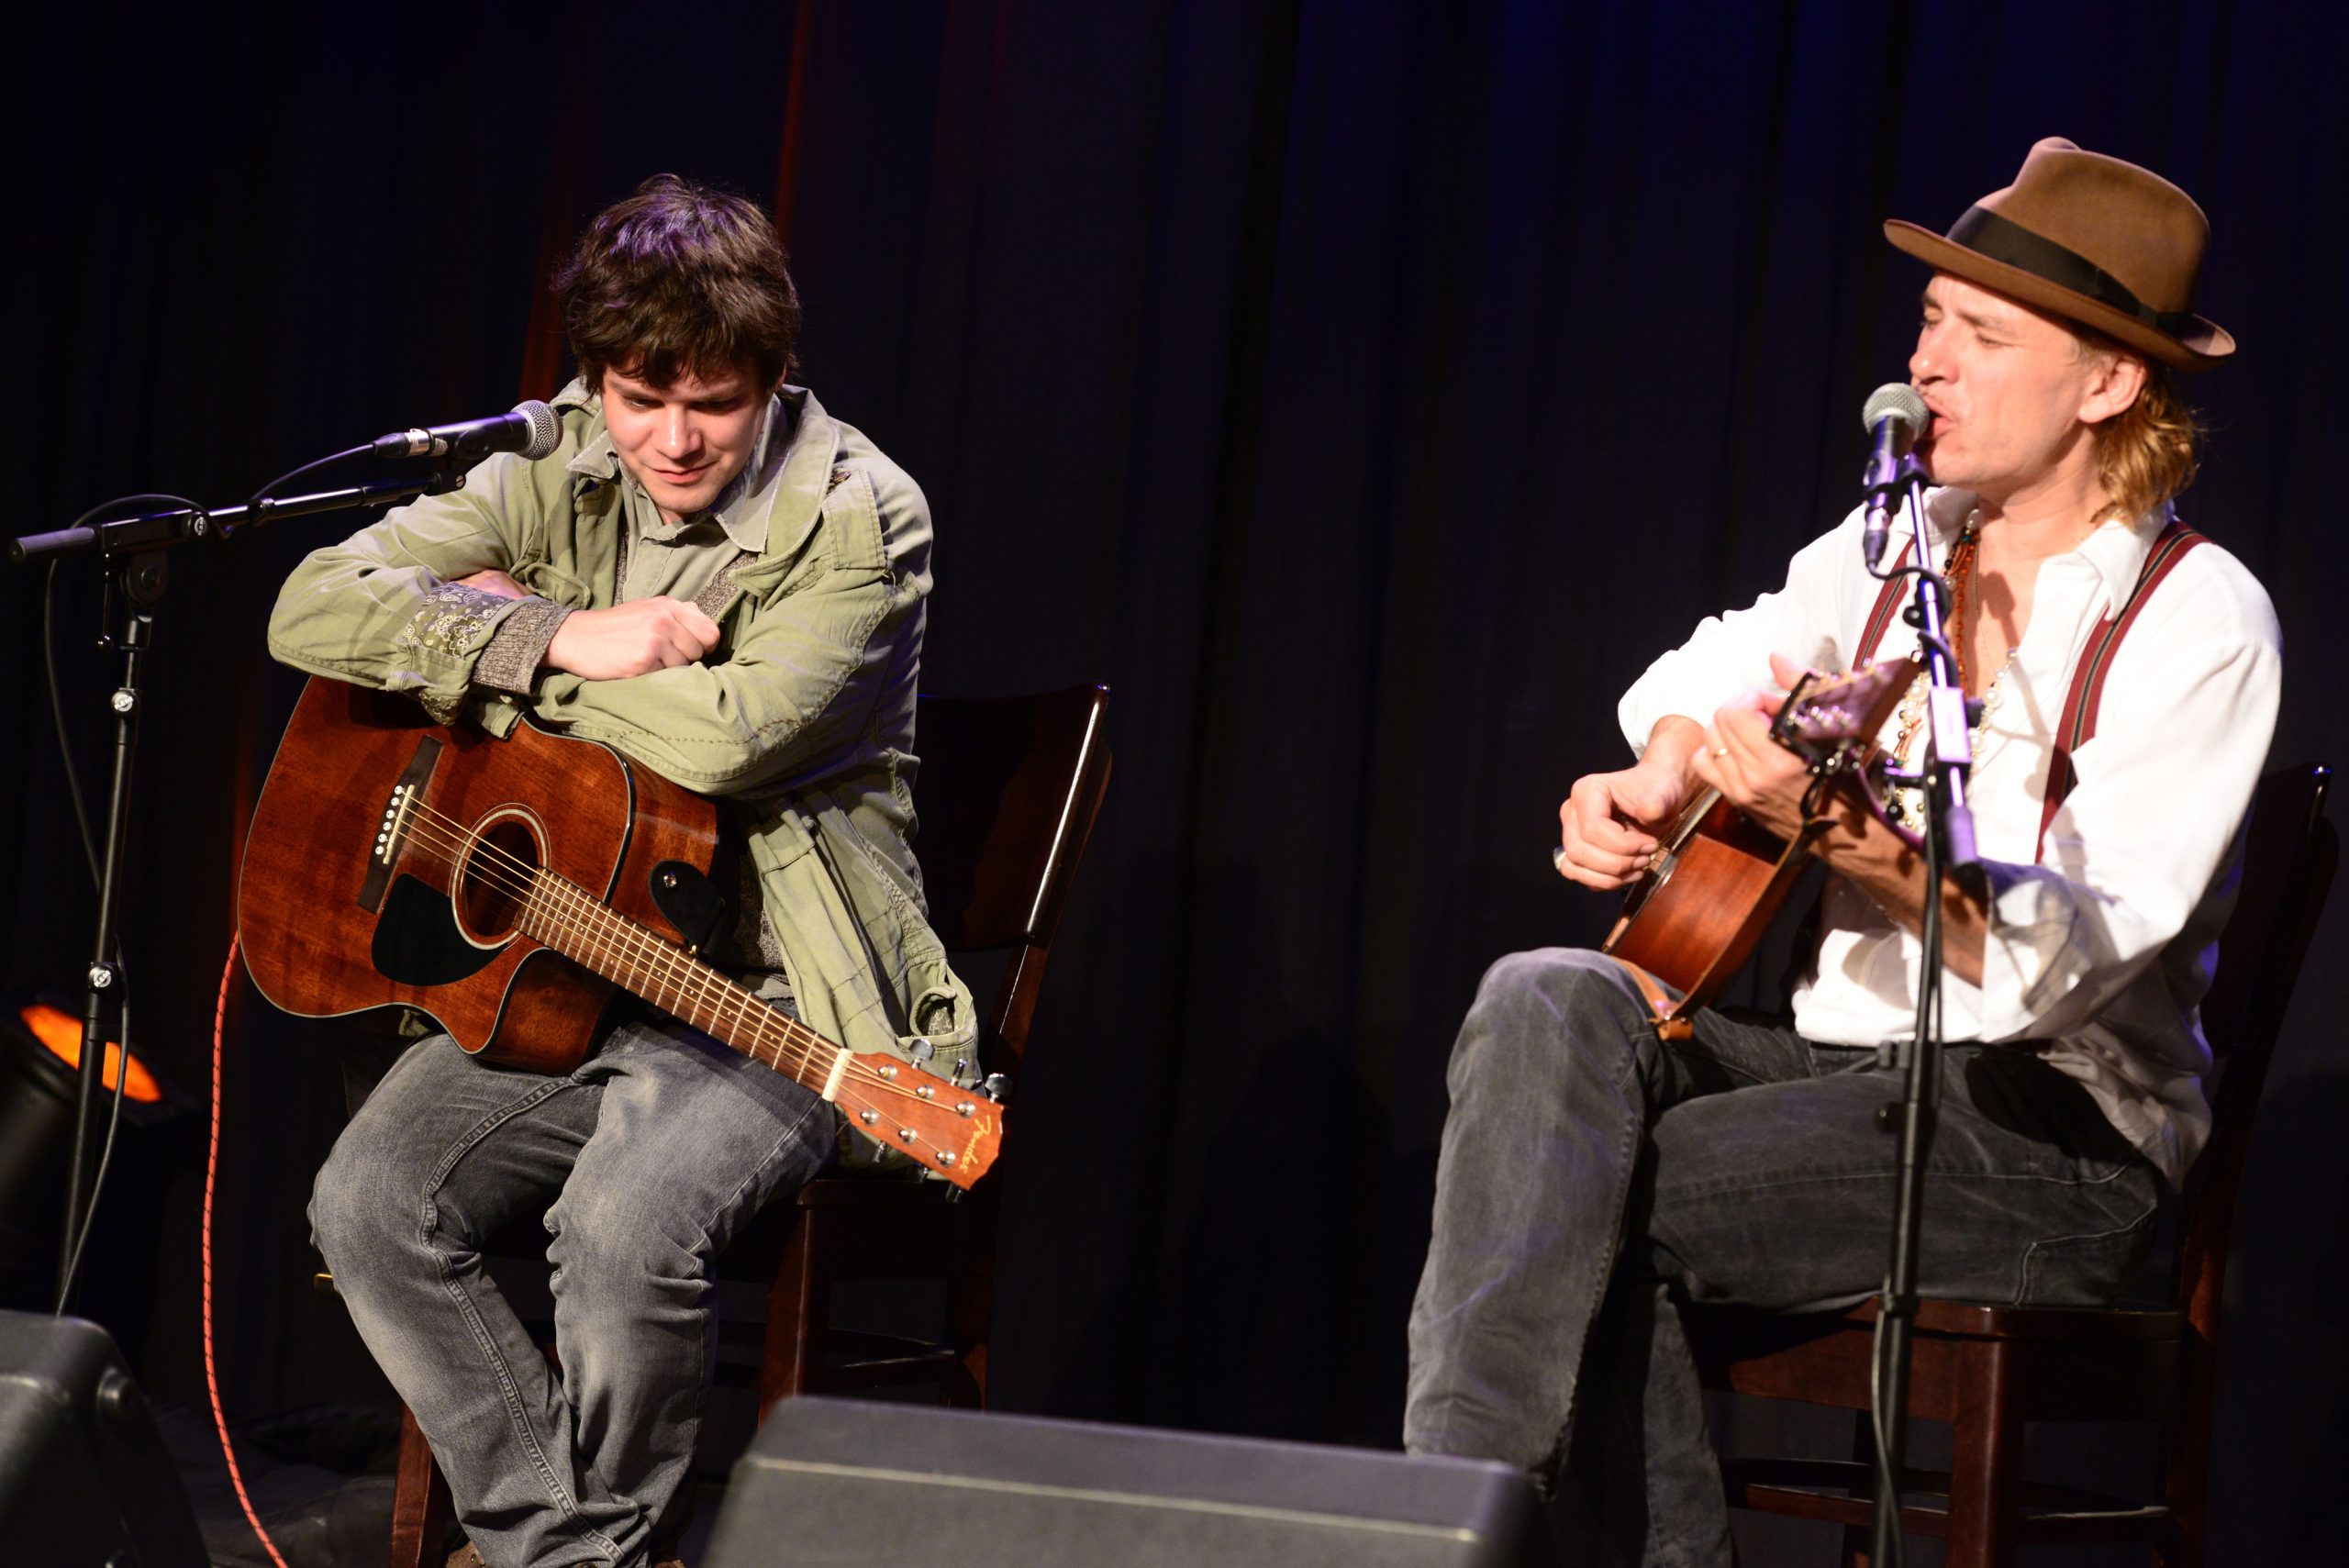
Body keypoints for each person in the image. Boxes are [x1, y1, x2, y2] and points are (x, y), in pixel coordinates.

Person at [1403, 138, 2279, 1564]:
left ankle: (1463, 1533)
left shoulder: (2199, 622)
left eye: (1982, 334)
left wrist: (1865, 848)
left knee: (1562, 1195)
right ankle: (1463, 1528)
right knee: (1544, 997)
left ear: (2109, 383)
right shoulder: (1896, 548)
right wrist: (1662, 767)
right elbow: (1705, 666)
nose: (1930, 363)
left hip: (2055, 1135)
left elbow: (2062, 962)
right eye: (1932, 319)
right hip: (1835, 1077)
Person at [273, 174, 975, 1568]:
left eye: (707, 404)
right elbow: (310, 603)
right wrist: (557, 636)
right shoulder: (556, 461)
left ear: (772, 379)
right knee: (366, 1201)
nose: (665, 440)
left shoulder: (862, 515)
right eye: (633, 399)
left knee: (623, 1220)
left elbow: (730, 740)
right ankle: (571, 1551)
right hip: (559, 965)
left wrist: (492, 649)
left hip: (773, 1004)